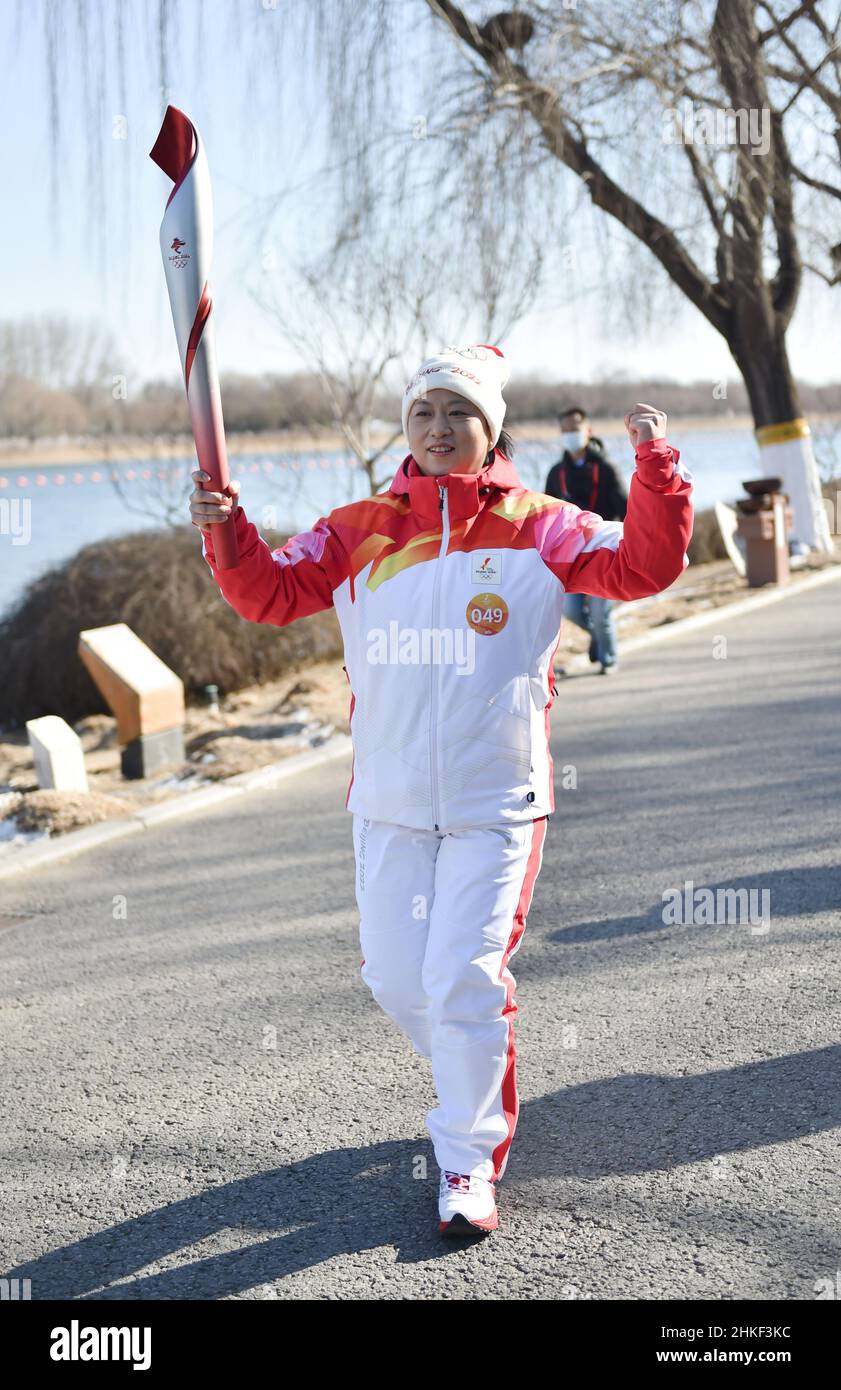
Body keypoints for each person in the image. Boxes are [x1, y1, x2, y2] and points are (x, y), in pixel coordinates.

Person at [190, 345, 694, 1238]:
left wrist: (655, 473)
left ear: (487, 429)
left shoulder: (541, 524)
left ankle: (465, 1160)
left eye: (455, 413)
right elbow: (267, 595)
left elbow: (642, 570)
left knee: (460, 978)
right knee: (395, 978)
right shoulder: (356, 528)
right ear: (405, 425)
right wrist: (225, 531)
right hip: (386, 800)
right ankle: (479, 1058)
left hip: (495, 799)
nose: (435, 427)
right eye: (421, 411)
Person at [544, 406, 629, 676]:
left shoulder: (605, 469)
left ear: (588, 431)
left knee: (599, 610)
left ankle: (608, 658)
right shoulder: (556, 473)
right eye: (565, 429)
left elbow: (626, 510)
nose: (570, 434)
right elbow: (546, 512)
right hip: (568, 554)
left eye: (575, 428)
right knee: (571, 611)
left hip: (602, 550)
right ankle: (597, 639)